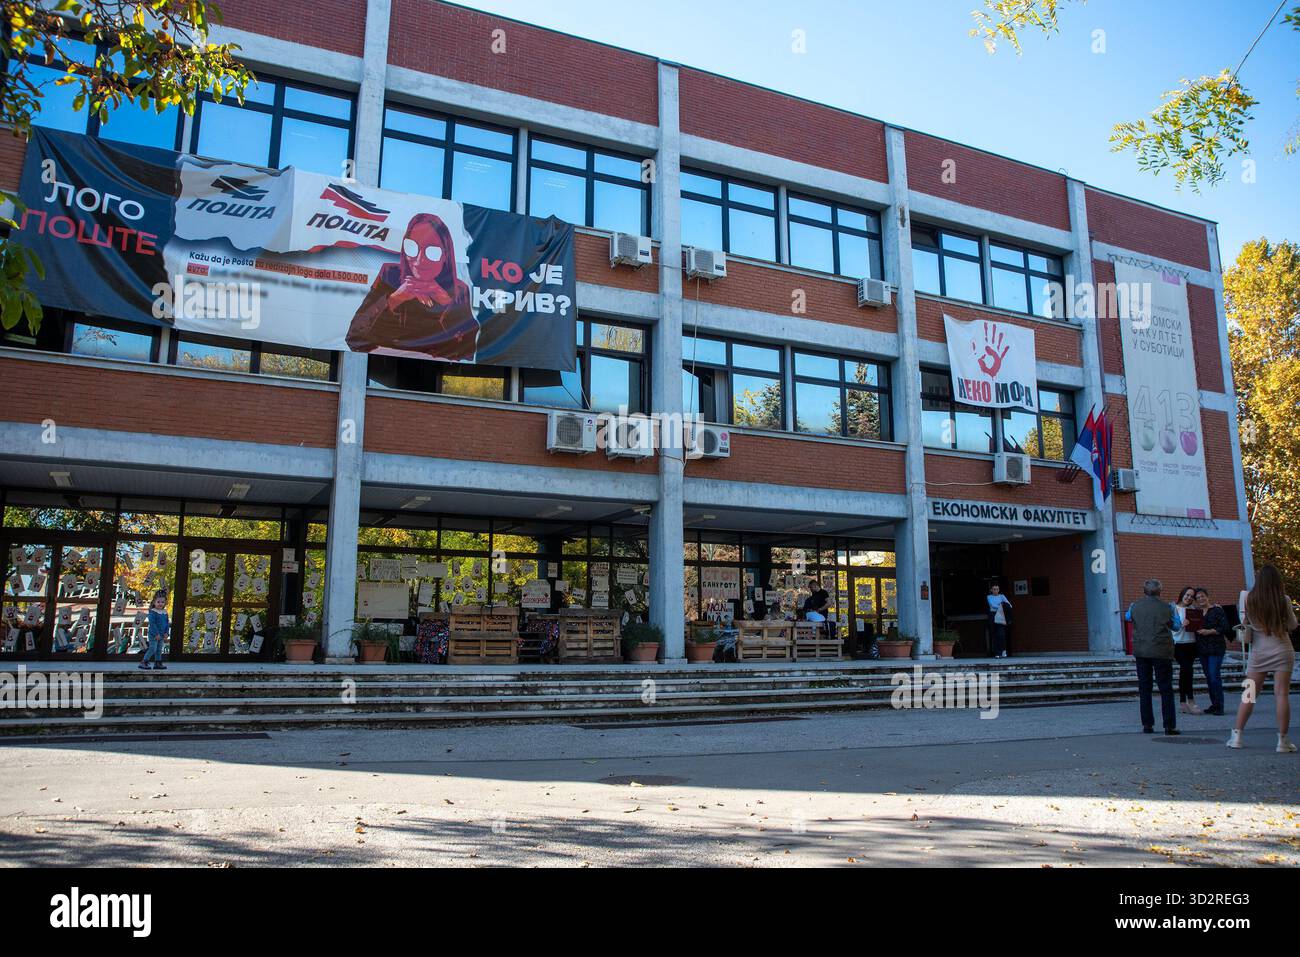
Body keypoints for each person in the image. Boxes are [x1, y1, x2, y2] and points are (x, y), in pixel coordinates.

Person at [345, 212, 479, 361]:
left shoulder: (459, 290)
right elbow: (354, 336)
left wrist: (449, 306)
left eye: (432, 252)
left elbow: (468, 352)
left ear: (445, 256)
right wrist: (393, 300)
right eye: (412, 247)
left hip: (435, 370)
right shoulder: (389, 274)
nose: (419, 260)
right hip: (385, 363)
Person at [1227, 565, 1297, 752]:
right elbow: (1292, 624)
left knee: (1249, 694)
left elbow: (1244, 624)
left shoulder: (1248, 598)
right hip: (1282, 649)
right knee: (1281, 694)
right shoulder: (1284, 600)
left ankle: (1237, 736)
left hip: (1258, 653)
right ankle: (1282, 741)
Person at [1124, 578, 1179, 736]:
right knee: (1166, 688)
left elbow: (1128, 617)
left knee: (1144, 688)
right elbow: (1176, 626)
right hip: (1162, 651)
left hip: (1142, 650)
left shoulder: (1134, 606)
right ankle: (1169, 725)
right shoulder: (1168, 607)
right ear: (1160, 591)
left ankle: (1147, 724)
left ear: (1144, 591)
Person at [1193, 587, 1228, 716]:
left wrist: (1209, 631)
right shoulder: (1195, 613)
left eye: (1202, 596)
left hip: (1216, 647)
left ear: (1207, 596)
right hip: (1202, 648)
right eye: (1197, 598)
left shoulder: (1217, 610)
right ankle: (1214, 704)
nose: (1200, 599)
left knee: (1214, 676)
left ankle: (1220, 705)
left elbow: (1224, 627)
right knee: (1209, 677)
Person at [1173, 585, 1202, 715]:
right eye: (1187, 595)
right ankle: (1190, 700)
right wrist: (1181, 625)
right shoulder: (1173, 609)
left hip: (1191, 644)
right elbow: (1170, 629)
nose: (1189, 598)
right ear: (1182, 594)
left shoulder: (1193, 609)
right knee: (1187, 670)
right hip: (1178, 644)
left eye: (1191, 596)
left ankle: (1183, 702)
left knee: (1186, 672)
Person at [142, 589, 169, 671]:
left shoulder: (164, 612)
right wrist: (156, 634)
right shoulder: (153, 612)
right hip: (154, 634)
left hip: (162, 634)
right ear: (154, 602)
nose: (160, 604)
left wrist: (166, 633)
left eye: (162, 602)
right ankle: (144, 661)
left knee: (159, 648)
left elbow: (167, 623)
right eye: (158, 602)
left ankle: (158, 662)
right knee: (153, 648)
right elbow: (152, 624)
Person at [986, 583, 1012, 658]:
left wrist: (1001, 606)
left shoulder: (1002, 596)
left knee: (1002, 634)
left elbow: (1009, 605)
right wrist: (1001, 605)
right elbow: (992, 605)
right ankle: (997, 653)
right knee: (994, 635)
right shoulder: (989, 597)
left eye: (997, 589)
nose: (996, 591)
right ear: (991, 590)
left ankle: (1003, 651)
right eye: (994, 589)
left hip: (1001, 615)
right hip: (993, 616)